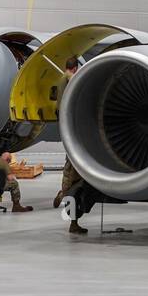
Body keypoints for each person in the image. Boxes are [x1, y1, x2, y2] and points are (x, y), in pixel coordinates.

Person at [52, 56, 89, 235]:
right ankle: (66, 197)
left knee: (69, 169)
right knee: (76, 175)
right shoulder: (68, 79)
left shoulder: (60, 81)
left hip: (67, 130)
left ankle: (63, 193)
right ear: (75, 68)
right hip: (74, 132)